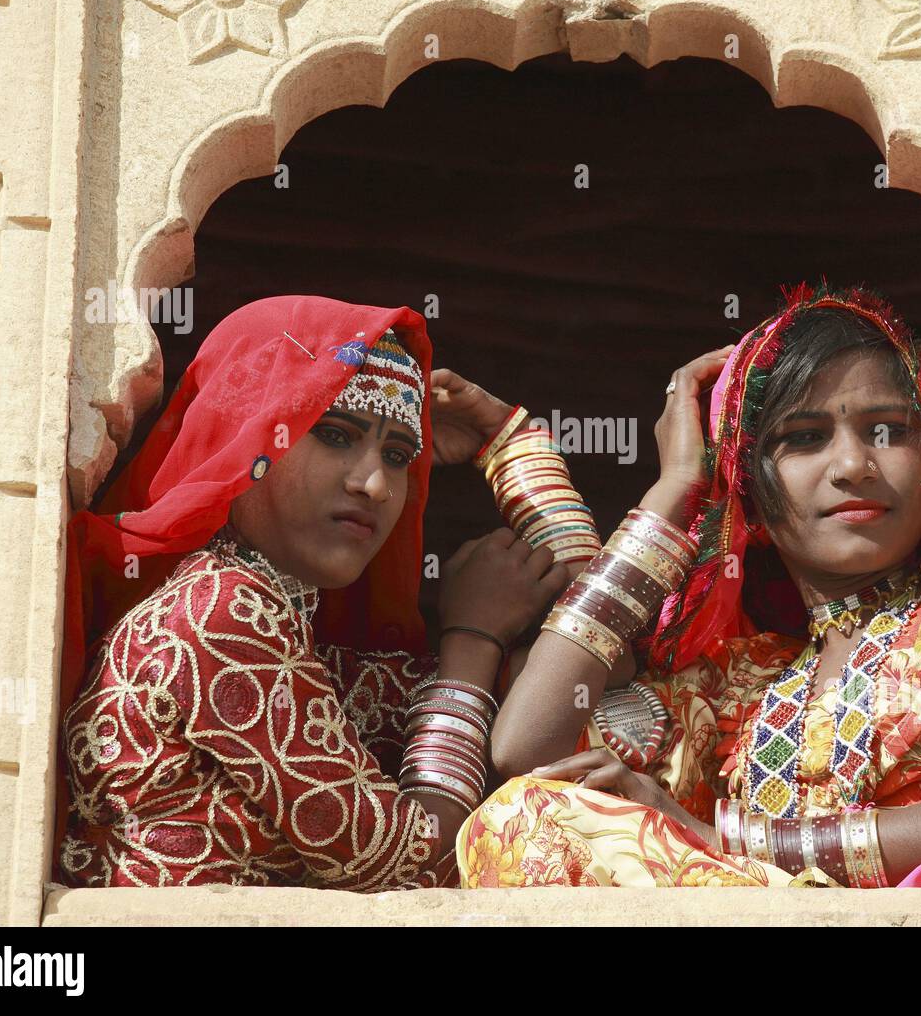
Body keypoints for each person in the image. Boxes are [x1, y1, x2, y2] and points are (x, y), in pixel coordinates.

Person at [460, 284, 921, 908]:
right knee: (520, 817)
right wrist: (675, 490)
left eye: (888, 430)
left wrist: (724, 837)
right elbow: (527, 750)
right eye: (805, 437)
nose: (853, 466)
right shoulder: (742, 682)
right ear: (751, 493)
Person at [57, 294, 570, 889]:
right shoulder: (223, 614)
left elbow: (589, 676)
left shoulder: (287, 632)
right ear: (247, 433)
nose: (375, 484)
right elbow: (419, 861)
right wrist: (471, 640)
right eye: (333, 434)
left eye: (399, 454)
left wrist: (513, 444)